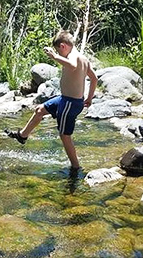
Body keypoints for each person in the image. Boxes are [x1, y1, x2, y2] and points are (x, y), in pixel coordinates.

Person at [6, 30, 97, 170]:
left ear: (63, 46)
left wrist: (54, 57)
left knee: (64, 136)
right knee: (40, 110)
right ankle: (22, 136)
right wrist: (89, 98)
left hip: (70, 103)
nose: (59, 54)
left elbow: (72, 66)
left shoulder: (74, 57)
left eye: (58, 51)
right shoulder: (83, 58)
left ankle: (76, 167)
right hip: (65, 99)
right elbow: (94, 78)